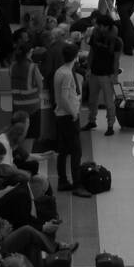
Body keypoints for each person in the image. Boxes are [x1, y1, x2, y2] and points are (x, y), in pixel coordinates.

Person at [53, 45, 90, 197]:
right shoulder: (68, 74)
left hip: (60, 116)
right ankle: (77, 185)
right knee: (76, 151)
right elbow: (63, 98)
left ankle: (62, 180)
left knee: (63, 150)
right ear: (75, 57)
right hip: (68, 117)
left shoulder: (59, 71)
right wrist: (74, 113)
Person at [84, 12, 122, 138]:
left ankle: (110, 125)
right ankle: (91, 121)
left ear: (107, 26)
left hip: (107, 74)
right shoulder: (95, 36)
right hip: (95, 72)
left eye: (101, 26)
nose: (98, 28)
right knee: (92, 100)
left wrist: (115, 75)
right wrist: (88, 68)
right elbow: (92, 53)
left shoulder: (116, 41)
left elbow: (116, 60)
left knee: (108, 102)